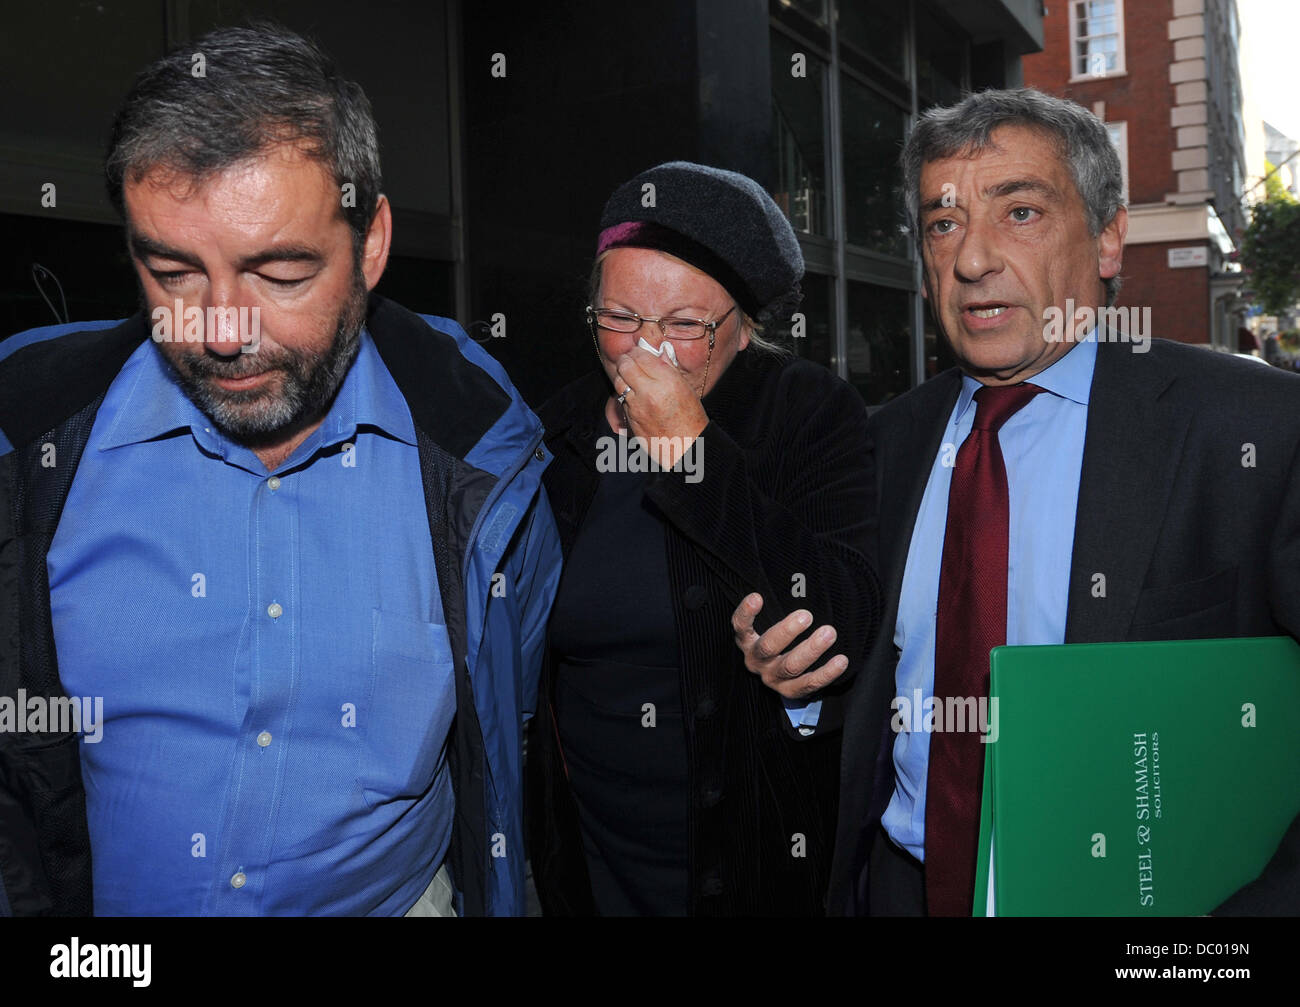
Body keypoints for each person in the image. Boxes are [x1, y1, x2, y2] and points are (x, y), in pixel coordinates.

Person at [0, 23, 560, 916]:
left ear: (371, 242)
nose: (223, 330)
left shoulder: (482, 448)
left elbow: (506, 713)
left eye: (280, 272)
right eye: (174, 271)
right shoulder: (24, 437)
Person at [734, 88, 1300, 915]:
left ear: (1108, 237)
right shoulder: (881, 445)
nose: (972, 260)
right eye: (942, 222)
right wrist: (800, 686)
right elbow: (865, 709)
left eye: (1021, 212)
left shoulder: (1254, 431)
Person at [525, 161, 882, 915]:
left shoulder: (806, 413)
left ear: (744, 328)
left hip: (749, 868)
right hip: (592, 866)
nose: (646, 351)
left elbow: (840, 612)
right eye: (620, 317)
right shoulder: (555, 433)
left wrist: (694, 452)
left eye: (685, 325)